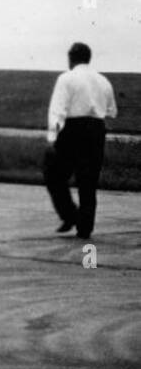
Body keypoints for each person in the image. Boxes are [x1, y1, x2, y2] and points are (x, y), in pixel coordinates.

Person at [43, 42, 116, 240]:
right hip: (96, 130)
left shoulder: (66, 78)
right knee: (88, 180)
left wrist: (52, 138)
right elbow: (112, 110)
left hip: (73, 129)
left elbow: (58, 110)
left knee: (54, 174)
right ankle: (85, 227)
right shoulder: (103, 81)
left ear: (72, 58)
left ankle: (70, 215)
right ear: (88, 57)